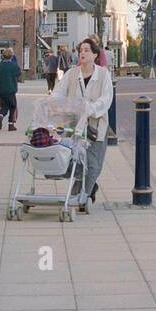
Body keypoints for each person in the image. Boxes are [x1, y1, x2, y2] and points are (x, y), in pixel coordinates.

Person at [52, 37, 114, 203]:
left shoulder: (103, 74)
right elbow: (59, 92)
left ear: (95, 54)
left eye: (87, 50)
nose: (83, 53)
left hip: (95, 125)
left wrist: (90, 109)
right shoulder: (72, 73)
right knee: (76, 160)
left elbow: (106, 98)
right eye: (81, 51)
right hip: (74, 125)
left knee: (93, 163)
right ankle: (83, 192)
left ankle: (83, 193)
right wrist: (55, 103)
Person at [0, 47, 22, 131]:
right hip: (11, 89)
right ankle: (11, 125)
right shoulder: (14, 65)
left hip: (1, 89)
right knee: (12, 106)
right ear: (11, 56)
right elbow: (19, 73)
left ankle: (1, 114)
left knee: (4, 106)